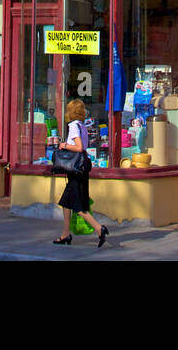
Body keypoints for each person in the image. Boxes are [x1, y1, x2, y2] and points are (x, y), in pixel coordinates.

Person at [53, 99, 109, 248]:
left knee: (78, 205)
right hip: (81, 167)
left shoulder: (73, 126)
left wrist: (64, 145)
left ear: (70, 112)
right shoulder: (82, 126)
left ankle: (99, 228)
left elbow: (79, 147)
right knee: (66, 202)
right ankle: (65, 234)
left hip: (76, 169)